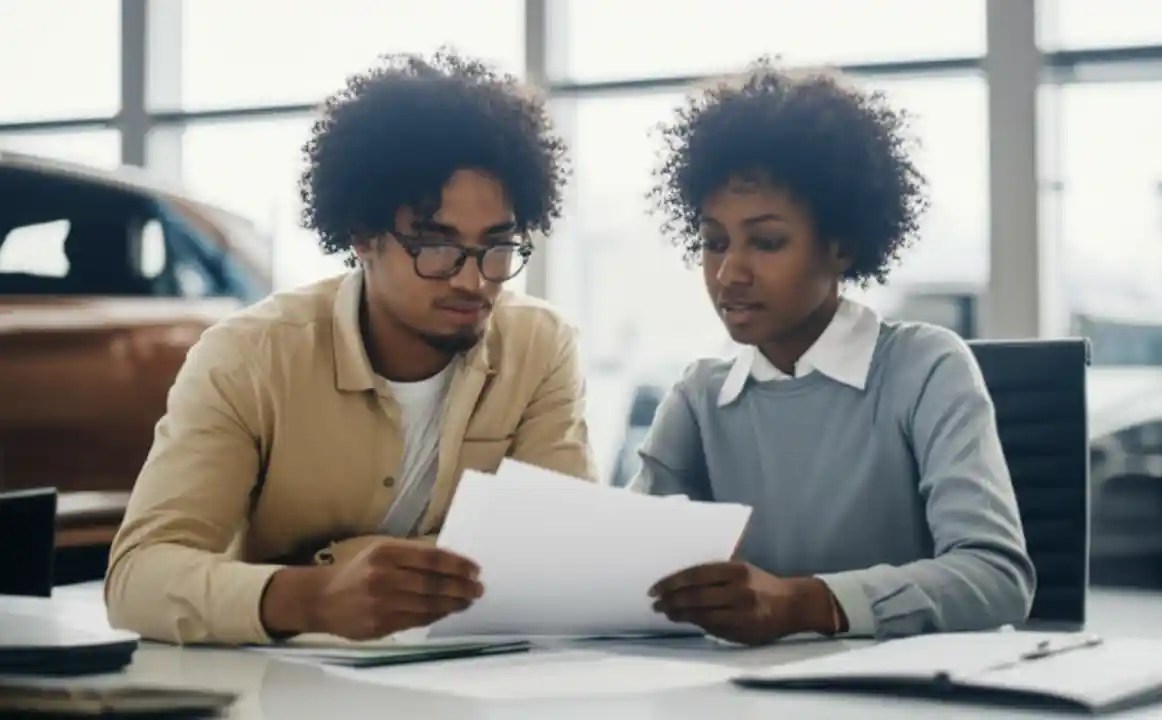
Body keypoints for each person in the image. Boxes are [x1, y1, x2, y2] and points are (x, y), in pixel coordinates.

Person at [106, 51, 595, 645]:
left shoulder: (540, 348)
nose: (475, 280)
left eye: (497, 246)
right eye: (435, 247)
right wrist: (309, 600)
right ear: (362, 236)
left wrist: (343, 562)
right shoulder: (248, 358)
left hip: (478, 683)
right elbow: (138, 577)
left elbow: (564, 552)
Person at [634, 61, 1035, 645]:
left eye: (766, 242)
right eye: (714, 242)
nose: (729, 272)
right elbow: (629, 568)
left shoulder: (924, 368)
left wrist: (805, 603)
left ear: (841, 245)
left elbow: (997, 576)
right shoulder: (699, 398)